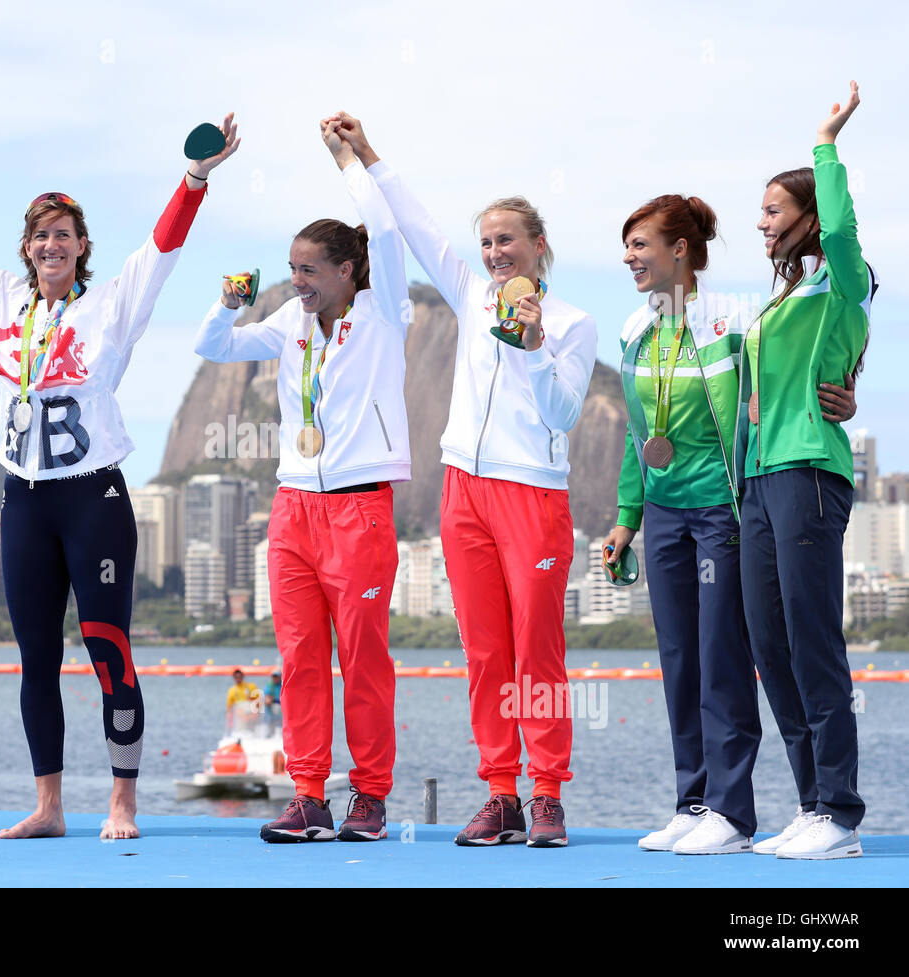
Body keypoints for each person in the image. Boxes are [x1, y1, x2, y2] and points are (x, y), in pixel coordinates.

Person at [0, 107, 238, 841]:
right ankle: (48, 806)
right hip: (24, 498)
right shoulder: (0, 299)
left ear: (82, 248)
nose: (52, 244)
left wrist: (196, 176)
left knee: (107, 643)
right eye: (41, 234)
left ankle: (122, 802)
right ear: (28, 247)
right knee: (35, 658)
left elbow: (164, 246)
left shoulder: (111, 306)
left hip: (93, 497)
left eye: (64, 234)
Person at [332, 113, 595, 848]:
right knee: (484, 651)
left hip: (532, 494)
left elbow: (565, 412)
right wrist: (364, 154)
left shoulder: (573, 322)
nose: (493, 251)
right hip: (463, 492)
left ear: (538, 246)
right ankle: (501, 792)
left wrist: (535, 344)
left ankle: (547, 794)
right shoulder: (473, 297)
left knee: (535, 648)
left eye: (507, 239)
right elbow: (415, 227)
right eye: (485, 242)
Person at [603, 196, 857, 855]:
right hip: (663, 512)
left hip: (724, 508)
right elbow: (639, 437)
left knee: (722, 654)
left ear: (679, 251)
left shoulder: (734, 320)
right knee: (679, 656)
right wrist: (627, 519)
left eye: (640, 244)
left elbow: (790, 375)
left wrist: (848, 383)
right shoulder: (633, 329)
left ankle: (731, 808)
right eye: (625, 245)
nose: (628, 256)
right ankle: (692, 798)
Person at [195, 115, 410, 843]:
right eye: (293, 268)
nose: (298, 279)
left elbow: (384, 225)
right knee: (300, 660)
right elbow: (212, 344)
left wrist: (349, 159)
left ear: (348, 270)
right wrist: (230, 299)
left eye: (310, 269)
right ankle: (310, 794)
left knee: (364, 659)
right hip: (293, 511)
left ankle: (371, 797)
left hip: (359, 509)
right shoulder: (290, 319)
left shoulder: (386, 313)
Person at [741, 82, 875, 860]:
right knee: (772, 643)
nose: (761, 224)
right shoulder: (782, 296)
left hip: (810, 477)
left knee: (813, 639)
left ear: (808, 218)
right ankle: (809, 801)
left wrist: (825, 140)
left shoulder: (839, 282)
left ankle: (842, 813)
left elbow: (846, 223)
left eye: (771, 211)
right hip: (761, 482)